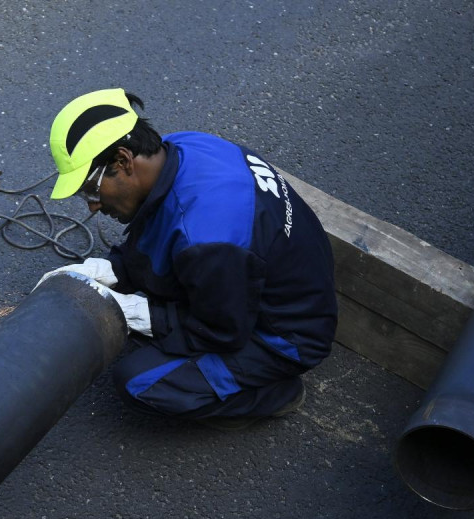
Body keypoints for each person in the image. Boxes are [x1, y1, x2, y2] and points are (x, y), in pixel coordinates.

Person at [38, 88, 338, 430]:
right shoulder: (185, 146)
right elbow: (161, 227)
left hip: (285, 335)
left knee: (140, 382)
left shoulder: (209, 237)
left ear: (123, 161)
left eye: (90, 190)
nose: (92, 205)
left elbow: (221, 332)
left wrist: (140, 315)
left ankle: (276, 395)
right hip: (264, 277)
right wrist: (113, 269)